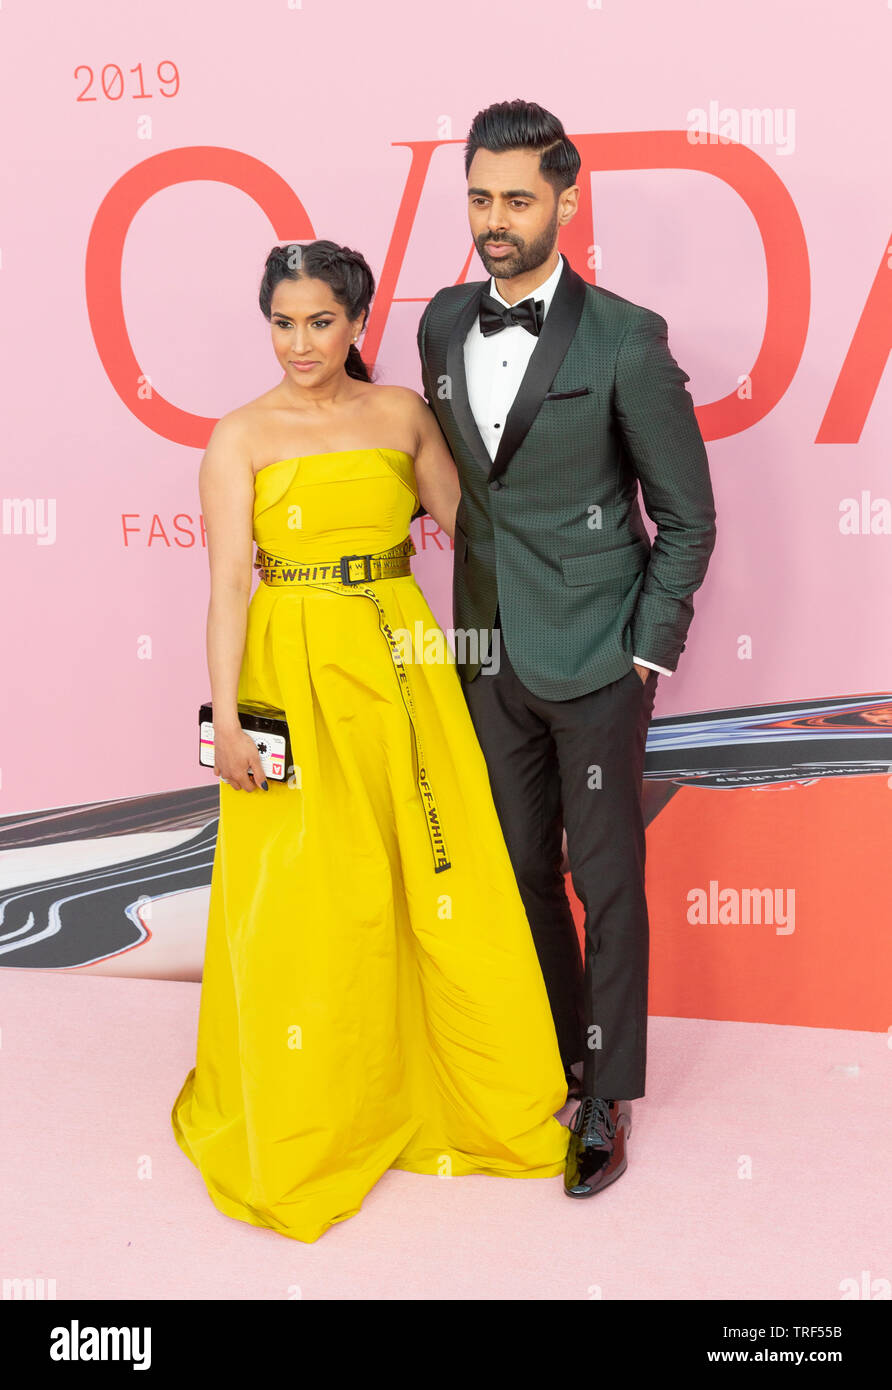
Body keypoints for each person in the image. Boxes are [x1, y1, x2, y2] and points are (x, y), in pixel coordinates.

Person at [171, 239, 571, 1244]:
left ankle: (452, 1091)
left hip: (400, 657)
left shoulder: (399, 415)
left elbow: (473, 532)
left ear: (357, 324)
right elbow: (225, 585)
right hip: (289, 671)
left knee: (433, 871)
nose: (299, 342)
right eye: (281, 321)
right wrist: (222, 717)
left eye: (320, 321)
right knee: (309, 896)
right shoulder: (238, 437)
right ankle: (314, 1114)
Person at [416, 100, 717, 1198]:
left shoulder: (626, 339)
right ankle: (557, 1053)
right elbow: (456, 483)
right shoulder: (442, 322)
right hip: (490, 651)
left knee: (609, 880)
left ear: (567, 200)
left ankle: (607, 1094)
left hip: (597, 657)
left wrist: (646, 652)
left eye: (517, 200)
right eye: (479, 199)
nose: (495, 221)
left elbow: (687, 516)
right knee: (518, 872)